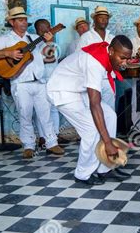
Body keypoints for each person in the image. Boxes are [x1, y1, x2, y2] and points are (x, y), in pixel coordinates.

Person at [47, 35, 133, 185]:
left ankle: (105, 168)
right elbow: (95, 104)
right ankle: (83, 174)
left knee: (110, 116)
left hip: (77, 89)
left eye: (127, 59)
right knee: (91, 129)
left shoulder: (106, 52)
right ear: (111, 51)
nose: (125, 63)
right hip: (62, 90)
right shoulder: (94, 63)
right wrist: (107, 142)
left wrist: (107, 141)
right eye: (122, 58)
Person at [0, 7, 64, 159]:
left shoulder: (33, 38)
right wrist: (8, 53)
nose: (24, 23)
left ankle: (51, 143)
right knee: (25, 114)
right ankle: (28, 146)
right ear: (12, 22)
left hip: (40, 82)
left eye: (25, 20)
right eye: (20, 20)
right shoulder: (6, 39)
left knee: (45, 114)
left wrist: (49, 42)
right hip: (20, 83)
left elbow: (49, 56)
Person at [33, 19, 68, 146]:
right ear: (37, 31)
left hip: (54, 80)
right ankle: (43, 137)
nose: (46, 31)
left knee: (54, 108)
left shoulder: (52, 43)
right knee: (41, 109)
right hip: (41, 81)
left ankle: (55, 135)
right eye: (42, 29)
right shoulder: (35, 45)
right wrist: (49, 42)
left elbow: (55, 61)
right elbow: (49, 58)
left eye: (48, 28)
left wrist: (50, 42)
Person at [77, 6, 116, 110]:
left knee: (110, 110)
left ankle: (108, 127)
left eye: (106, 18)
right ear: (94, 19)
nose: (104, 20)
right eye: (101, 17)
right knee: (93, 110)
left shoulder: (112, 38)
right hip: (91, 79)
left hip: (108, 79)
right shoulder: (86, 37)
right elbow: (78, 58)